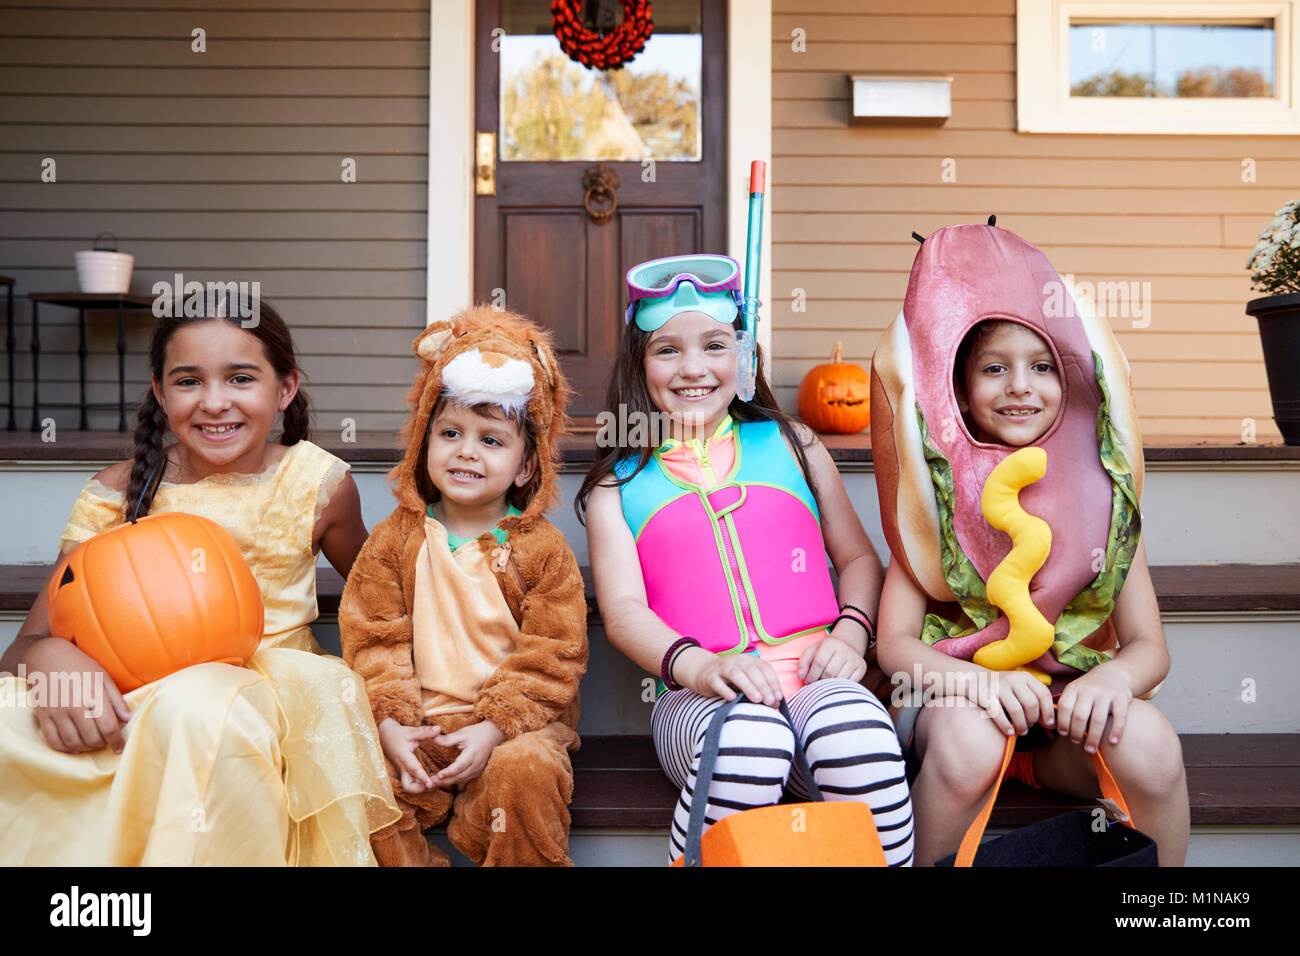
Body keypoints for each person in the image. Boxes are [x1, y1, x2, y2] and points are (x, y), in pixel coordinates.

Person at [0, 295, 400, 865]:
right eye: (188, 381)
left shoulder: (315, 484)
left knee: (197, 707)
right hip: (127, 691)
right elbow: (27, 644)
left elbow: (385, 606)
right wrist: (51, 662)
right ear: (161, 394)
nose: (215, 403)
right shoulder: (115, 493)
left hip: (261, 692)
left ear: (285, 388)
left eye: (240, 378)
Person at [579, 254, 914, 865]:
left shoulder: (795, 442)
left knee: (856, 733)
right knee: (752, 744)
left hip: (816, 676)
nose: (693, 369)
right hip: (699, 696)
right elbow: (624, 611)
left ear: (741, 357)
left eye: (713, 345)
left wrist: (851, 633)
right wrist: (701, 668)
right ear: (638, 364)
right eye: (667, 351)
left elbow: (860, 559)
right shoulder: (617, 484)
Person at [872, 222, 1188, 866]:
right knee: (971, 749)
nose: (1021, 385)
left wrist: (1115, 682)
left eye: (1042, 367)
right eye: (994, 369)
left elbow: (1150, 647)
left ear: (1069, 381)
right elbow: (894, 646)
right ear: (957, 390)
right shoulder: (929, 498)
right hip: (957, 710)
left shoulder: (1104, 497)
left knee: (1153, 750)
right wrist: (971, 685)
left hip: (1066, 724)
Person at [339, 306, 588, 867]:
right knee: (359, 783)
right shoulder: (395, 540)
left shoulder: (541, 551)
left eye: (491, 440)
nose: (466, 451)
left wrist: (496, 729)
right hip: (418, 726)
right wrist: (389, 724)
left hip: (508, 727)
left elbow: (555, 655)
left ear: (527, 466)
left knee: (527, 773)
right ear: (425, 442)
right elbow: (373, 638)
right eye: (450, 433)